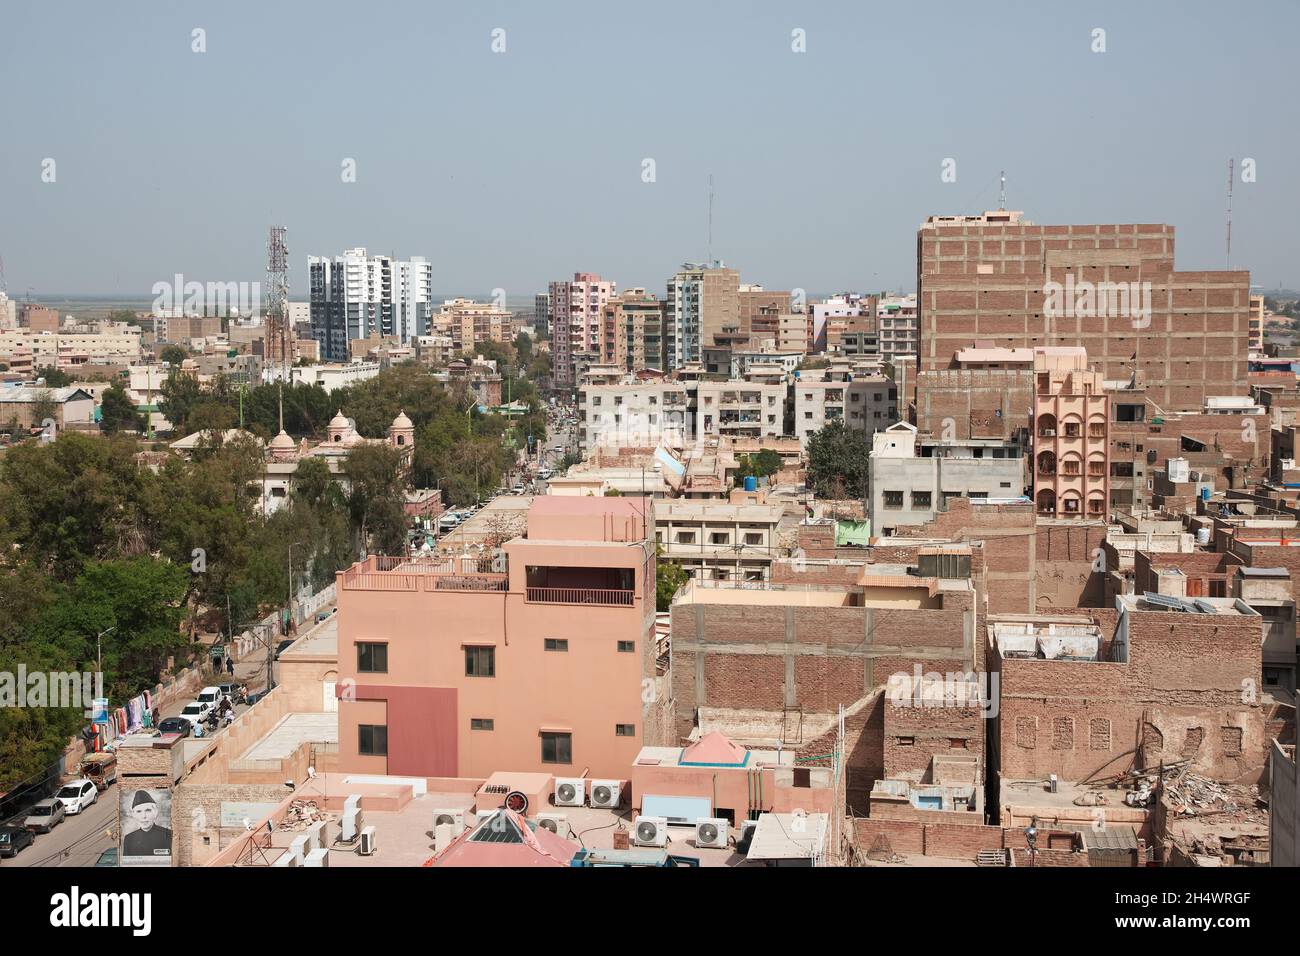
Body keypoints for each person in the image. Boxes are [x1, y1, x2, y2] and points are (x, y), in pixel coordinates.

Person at [122, 790, 172, 858]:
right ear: (134, 814)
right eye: (139, 811)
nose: (144, 816)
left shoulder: (168, 835)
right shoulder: (129, 839)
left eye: (148, 810)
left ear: (155, 812)